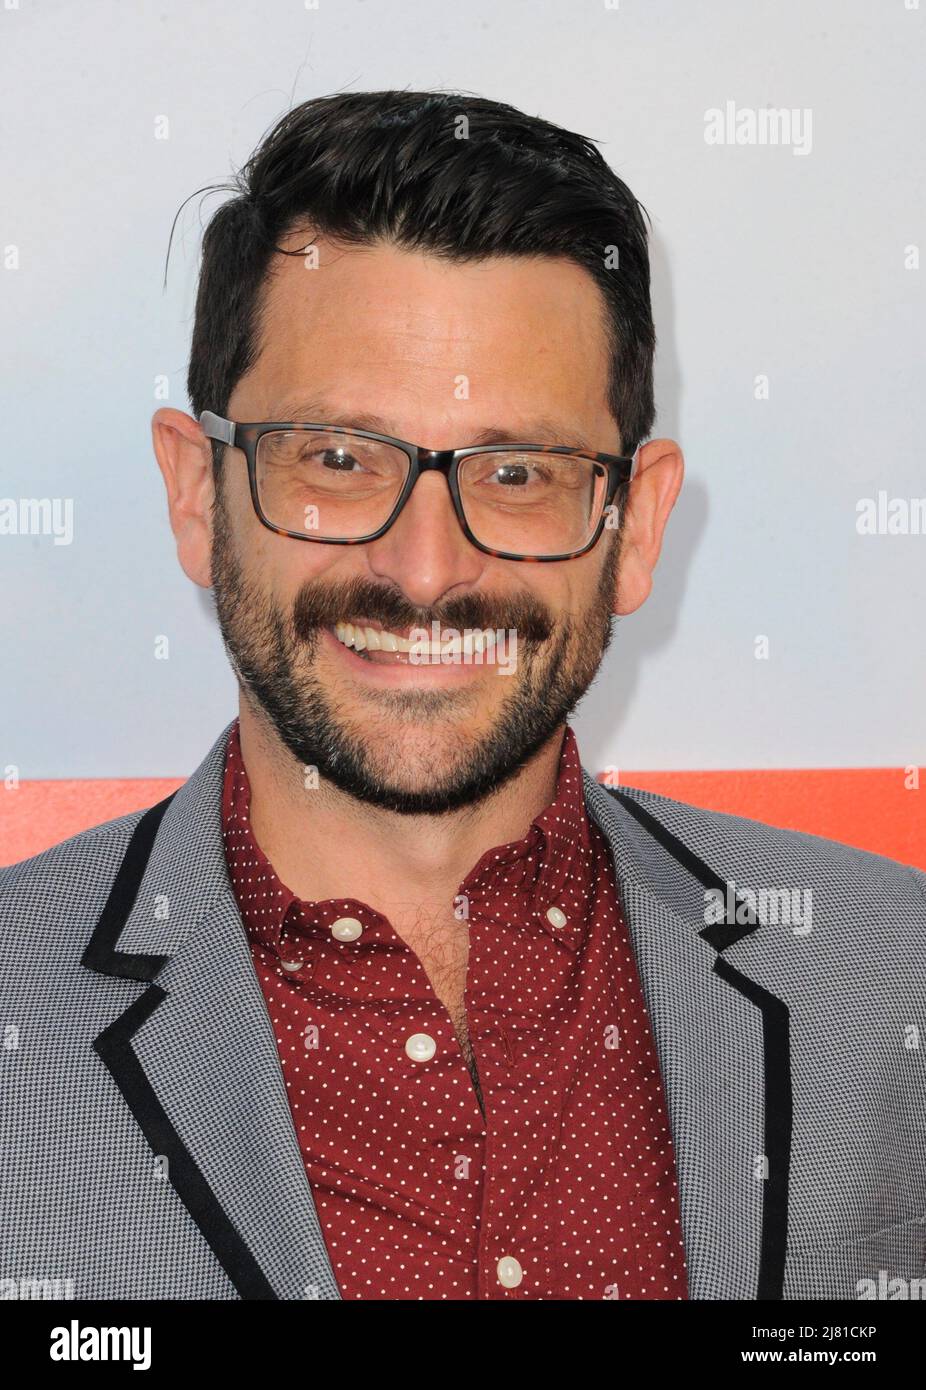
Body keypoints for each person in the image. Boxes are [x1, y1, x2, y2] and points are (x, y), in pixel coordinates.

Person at [2, 90, 923, 1303]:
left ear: (633, 525)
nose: (426, 569)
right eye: (337, 457)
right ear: (196, 492)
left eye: (517, 472)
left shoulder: (888, 974)